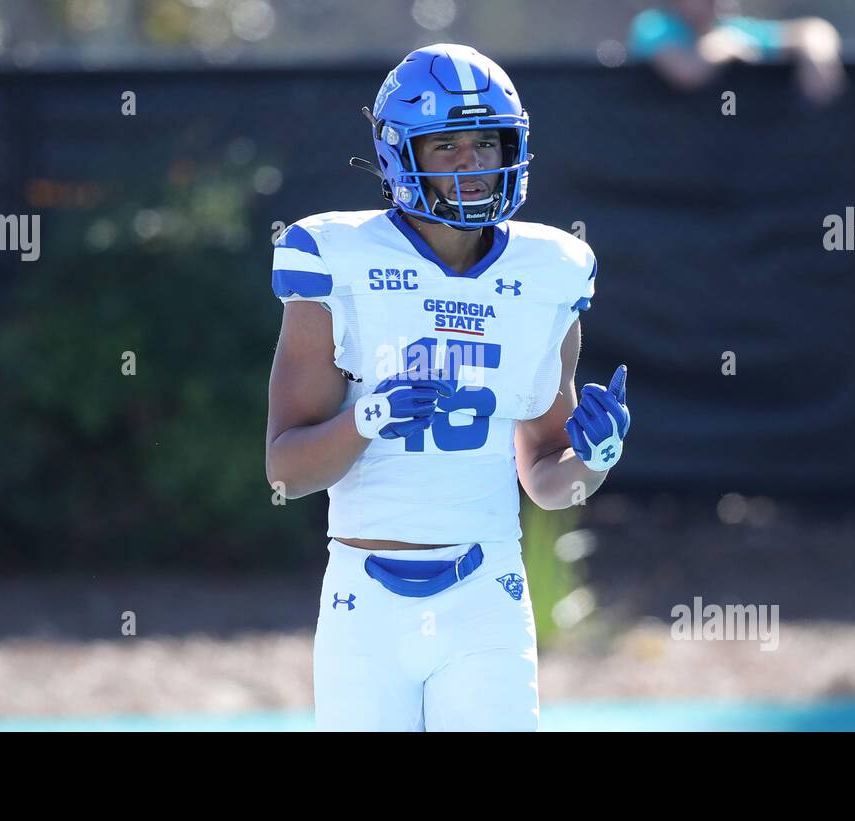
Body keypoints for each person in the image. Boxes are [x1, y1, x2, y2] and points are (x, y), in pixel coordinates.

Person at [265, 43, 631, 731]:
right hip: (364, 597)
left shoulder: (549, 271)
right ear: (401, 154)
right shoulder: (337, 260)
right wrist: (367, 417)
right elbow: (285, 467)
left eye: (486, 141)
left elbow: (547, 478)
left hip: (486, 591)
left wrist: (596, 457)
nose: (472, 162)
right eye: (448, 146)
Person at [629, 0, 845, 106]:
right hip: (664, 164)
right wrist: (718, 50)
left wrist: (816, 52)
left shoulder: (733, 30)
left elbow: (812, 30)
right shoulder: (654, 26)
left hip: (737, 168)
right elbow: (687, 73)